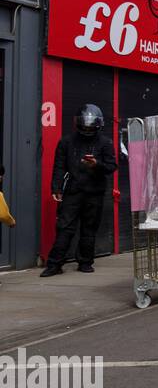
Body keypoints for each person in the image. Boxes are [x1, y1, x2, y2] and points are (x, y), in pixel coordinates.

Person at [41, 104, 117, 276]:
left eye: (91, 126)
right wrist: (57, 187)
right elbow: (59, 166)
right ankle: (54, 264)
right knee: (65, 227)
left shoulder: (105, 143)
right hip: (73, 191)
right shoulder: (66, 142)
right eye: (85, 125)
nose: (87, 128)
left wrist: (96, 164)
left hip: (95, 192)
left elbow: (112, 166)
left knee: (89, 228)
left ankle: (85, 262)